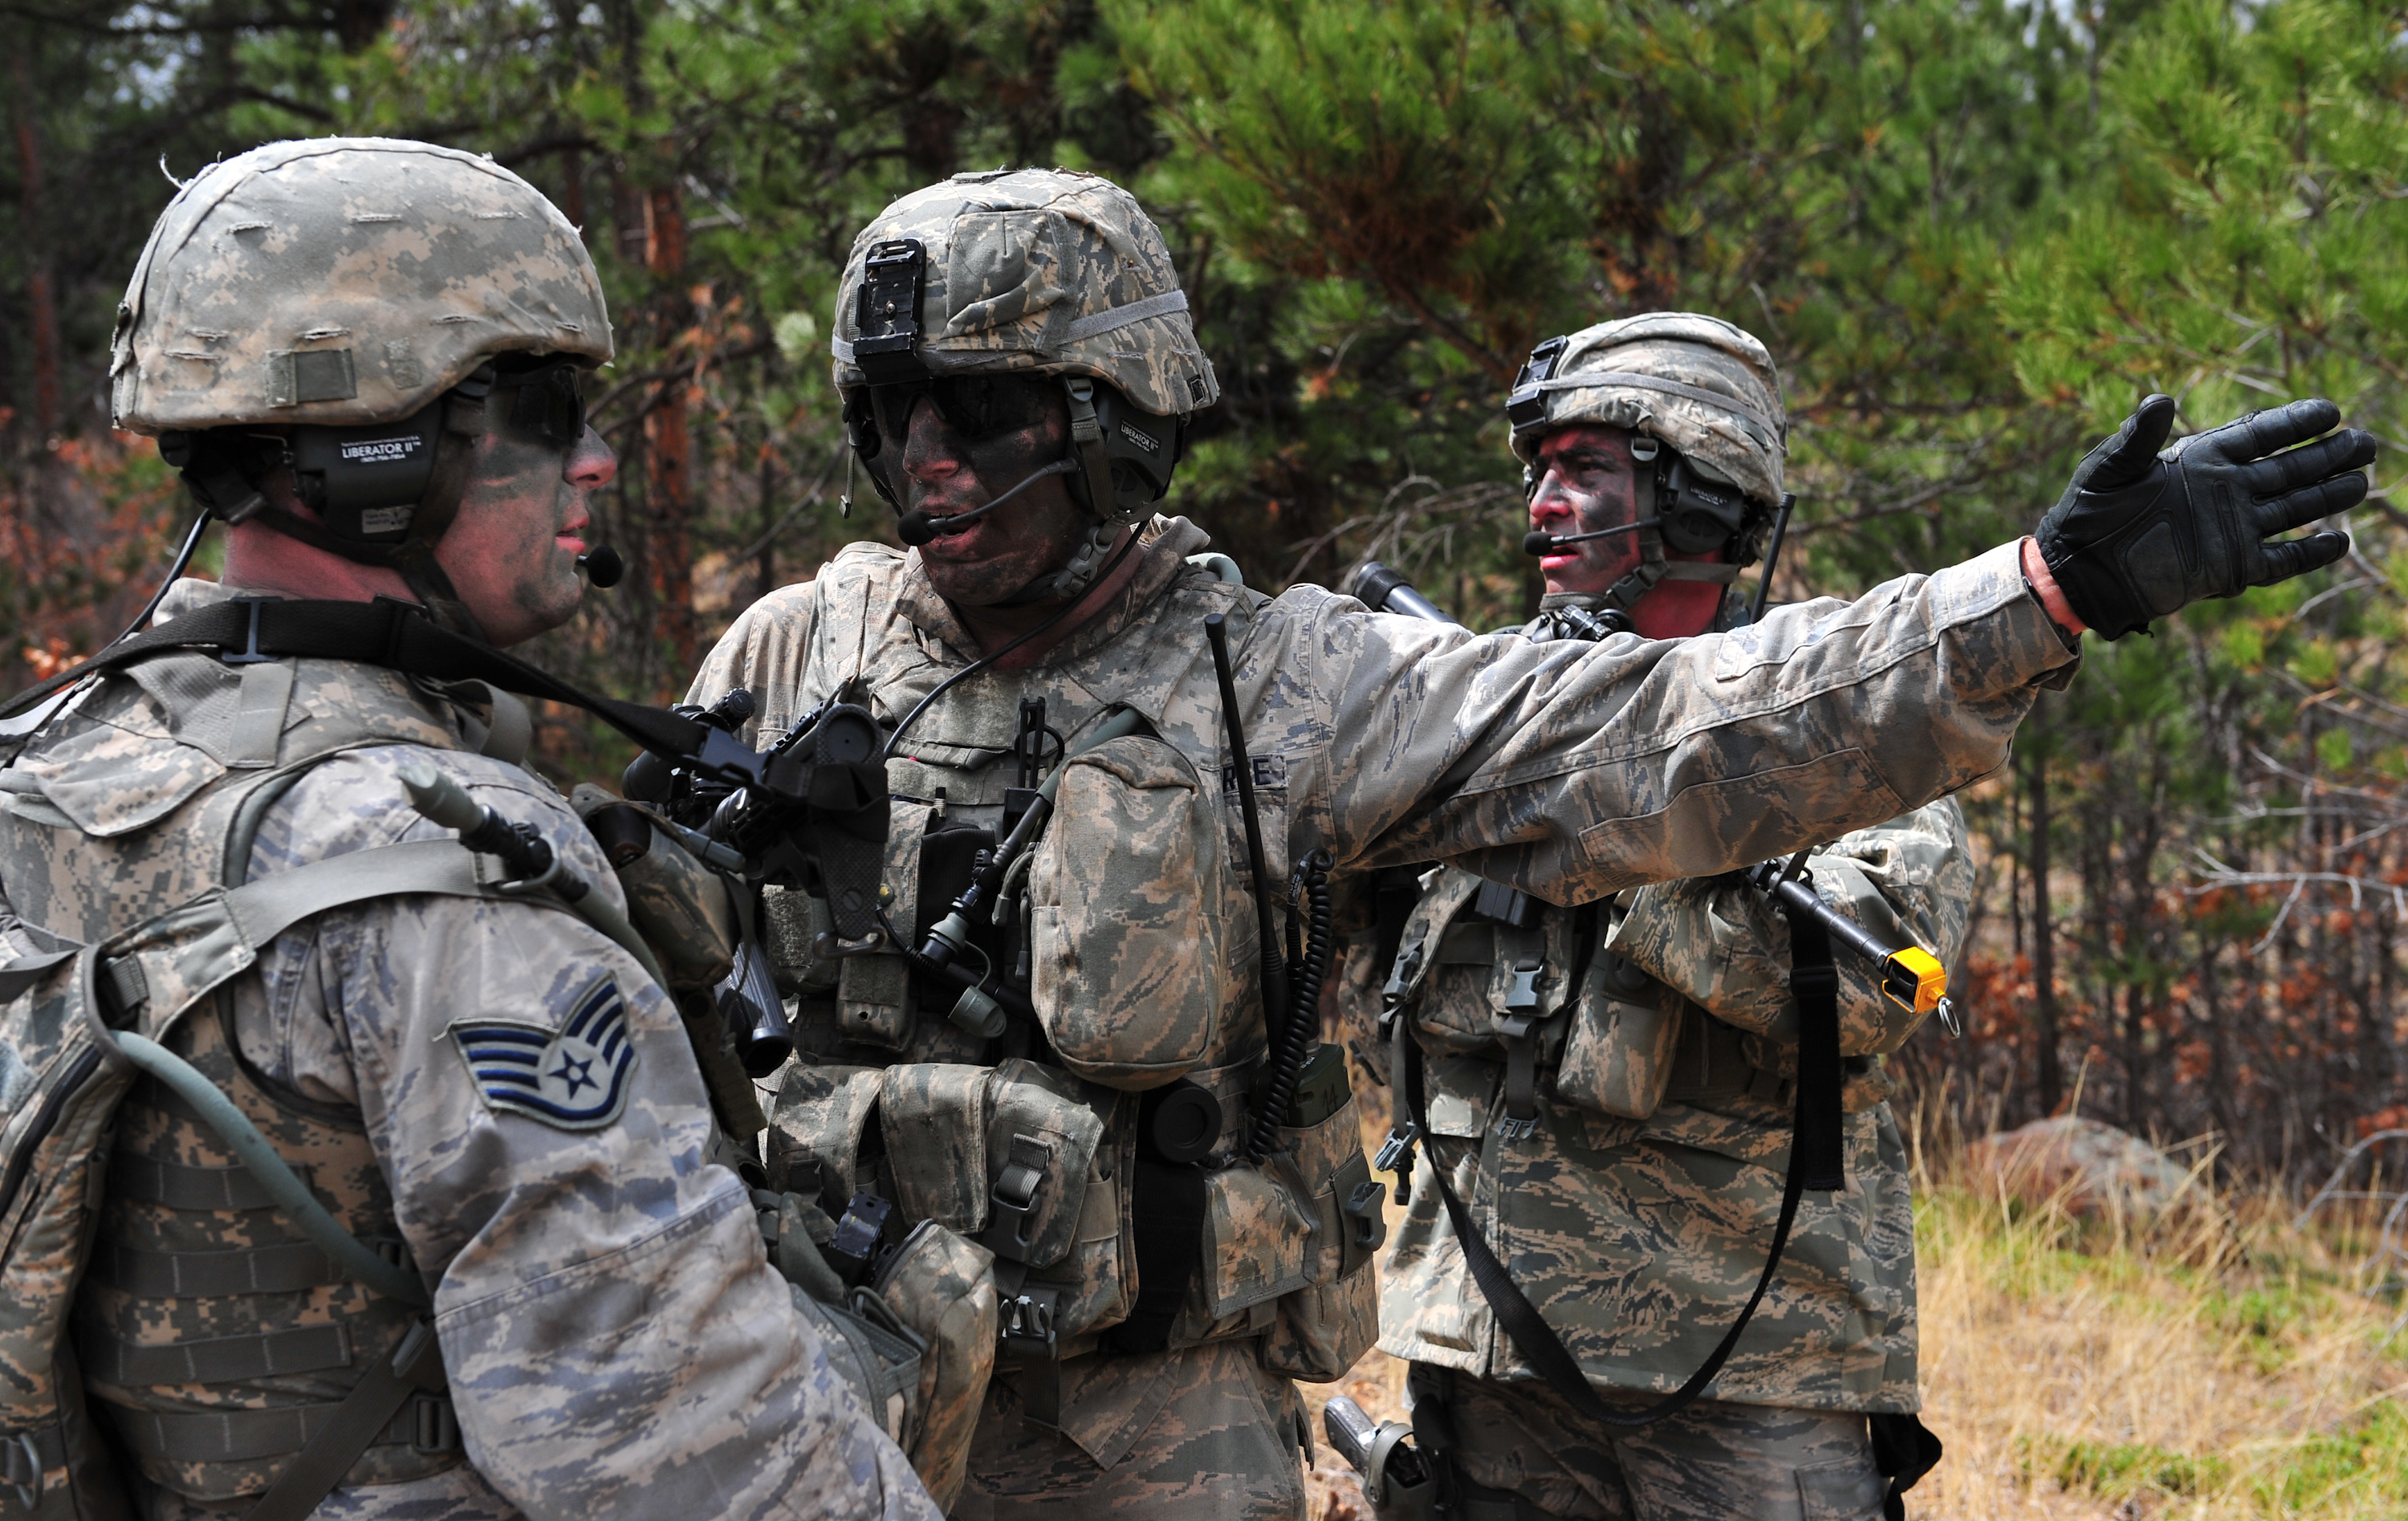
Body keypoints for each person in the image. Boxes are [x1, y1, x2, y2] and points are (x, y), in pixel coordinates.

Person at [681, 167, 2371, 1520]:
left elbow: (1695, 740)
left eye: (978, 409)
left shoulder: (1286, 684)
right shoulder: (789, 653)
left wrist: (2040, 598)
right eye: (894, 411)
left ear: (1111, 412)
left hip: (1177, 1432)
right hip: (842, 1389)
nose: (929, 460)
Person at [0, 139, 938, 1519]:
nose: (601, 460)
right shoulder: (451, 879)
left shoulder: (42, 763)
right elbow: (689, 1456)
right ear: (384, 457)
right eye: (552, 410)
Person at [1369, 313, 1966, 1521]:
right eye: (1539, 471)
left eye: (1585, 471)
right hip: (1486, 1346)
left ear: (1699, 502)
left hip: (1746, 1372)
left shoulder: (1842, 733)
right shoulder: (1473, 712)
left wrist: (1621, 821)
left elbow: (1879, 982)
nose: (1542, 502)